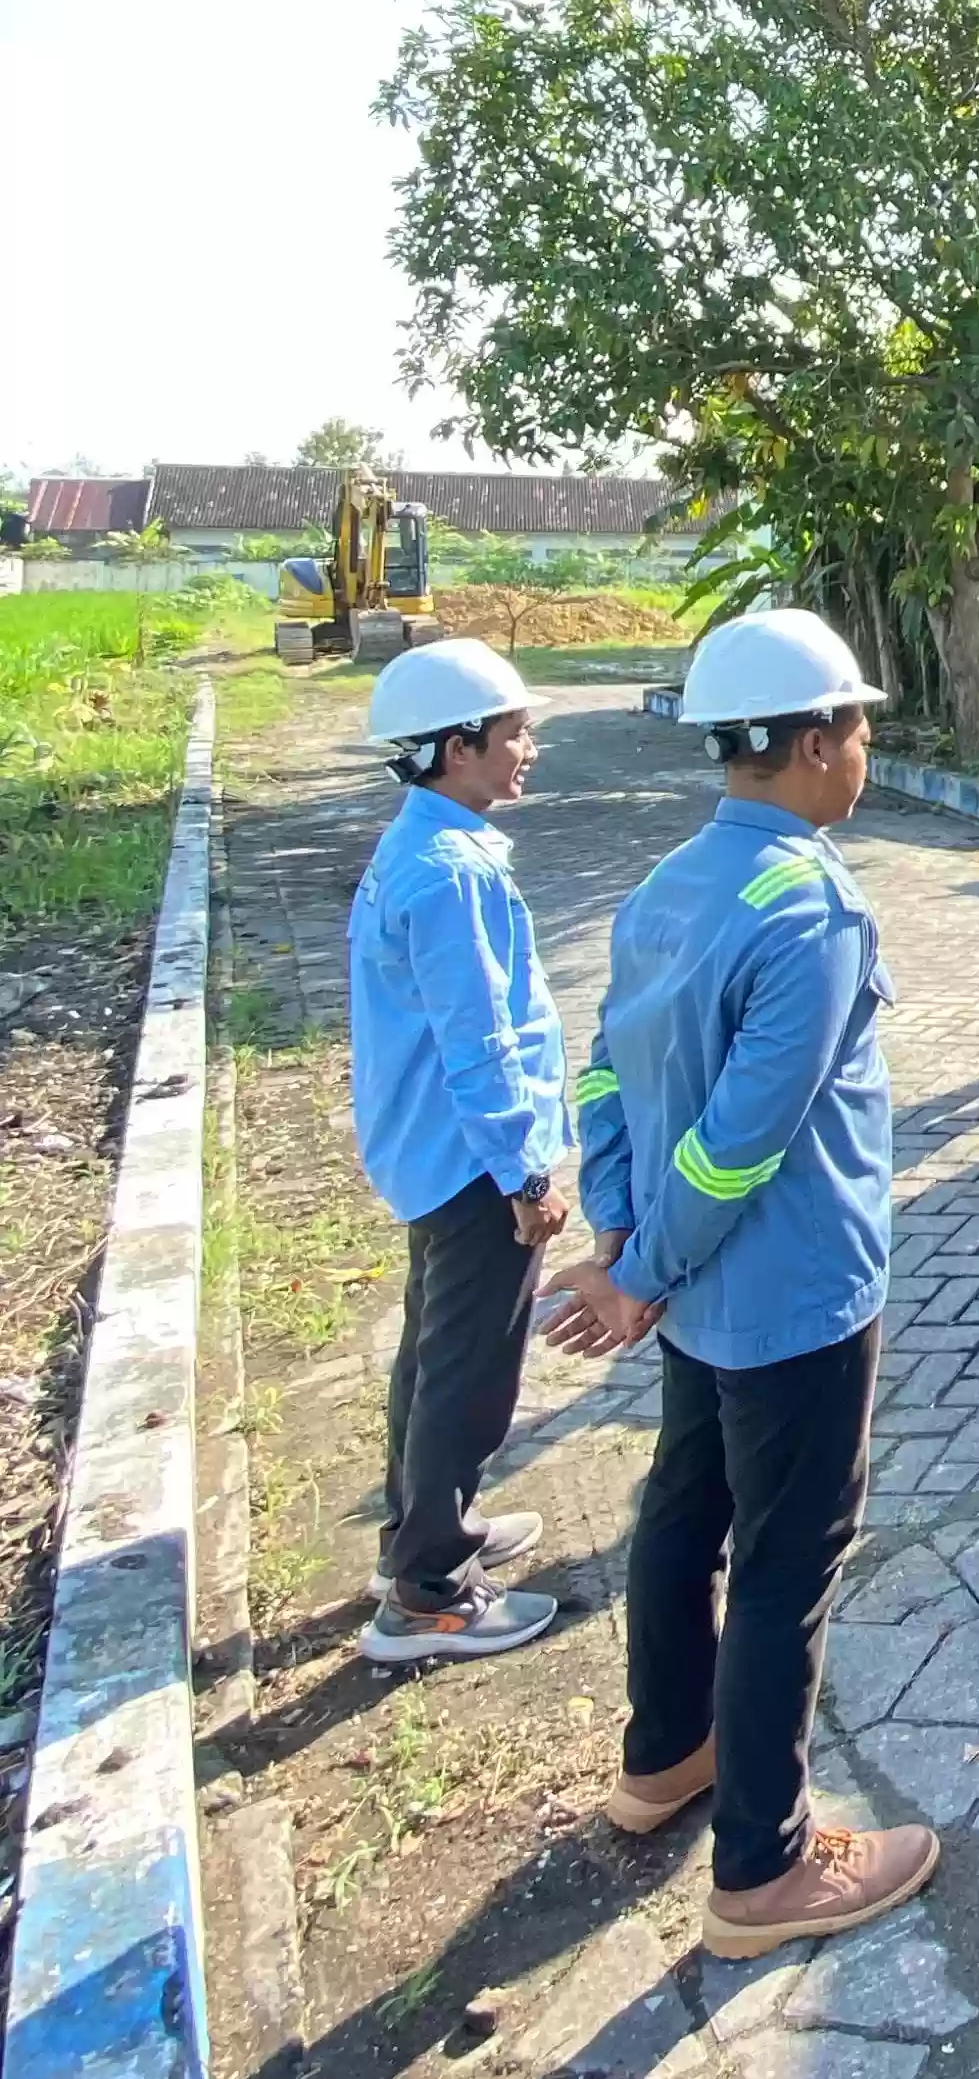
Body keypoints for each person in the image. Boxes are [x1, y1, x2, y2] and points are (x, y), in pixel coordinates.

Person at [548, 607, 936, 1953]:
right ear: (815, 742)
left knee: (684, 1506)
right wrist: (639, 1266)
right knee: (787, 1563)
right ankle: (764, 1867)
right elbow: (746, 1135)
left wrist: (620, 1239)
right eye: (859, 724)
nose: (868, 746)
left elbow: (602, 1069)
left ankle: (667, 1758)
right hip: (789, 1295)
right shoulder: (812, 903)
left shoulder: (672, 884)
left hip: (690, 1291)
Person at [348, 640, 571, 1666]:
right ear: (455, 747)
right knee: (467, 1372)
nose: (529, 747)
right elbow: (479, 1043)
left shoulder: (434, 847)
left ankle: (425, 1530)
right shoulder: (445, 874)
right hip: (470, 1164)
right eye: (512, 732)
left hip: (432, 1156)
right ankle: (430, 1591)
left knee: (433, 1353)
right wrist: (524, 1174)